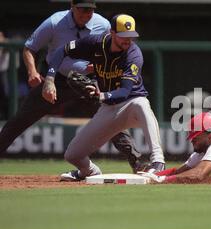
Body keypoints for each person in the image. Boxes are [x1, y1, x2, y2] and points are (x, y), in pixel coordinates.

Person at [0, 0, 155, 173]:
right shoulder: (55, 22)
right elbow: (30, 48)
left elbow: (115, 53)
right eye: (82, 9)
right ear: (72, 7)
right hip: (58, 79)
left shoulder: (103, 24)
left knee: (112, 119)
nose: (87, 13)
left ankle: (137, 162)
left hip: (89, 81)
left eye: (90, 9)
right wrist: (33, 72)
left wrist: (100, 69)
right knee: (21, 118)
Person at [44, 13, 165, 181]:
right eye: (123, 36)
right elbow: (60, 51)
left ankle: (158, 161)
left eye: (131, 36)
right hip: (108, 108)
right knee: (73, 155)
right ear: (112, 33)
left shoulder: (134, 55)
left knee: (142, 104)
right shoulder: (95, 43)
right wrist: (50, 79)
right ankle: (89, 171)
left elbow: (124, 91)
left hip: (130, 104)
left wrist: (100, 95)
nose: (127, 40)